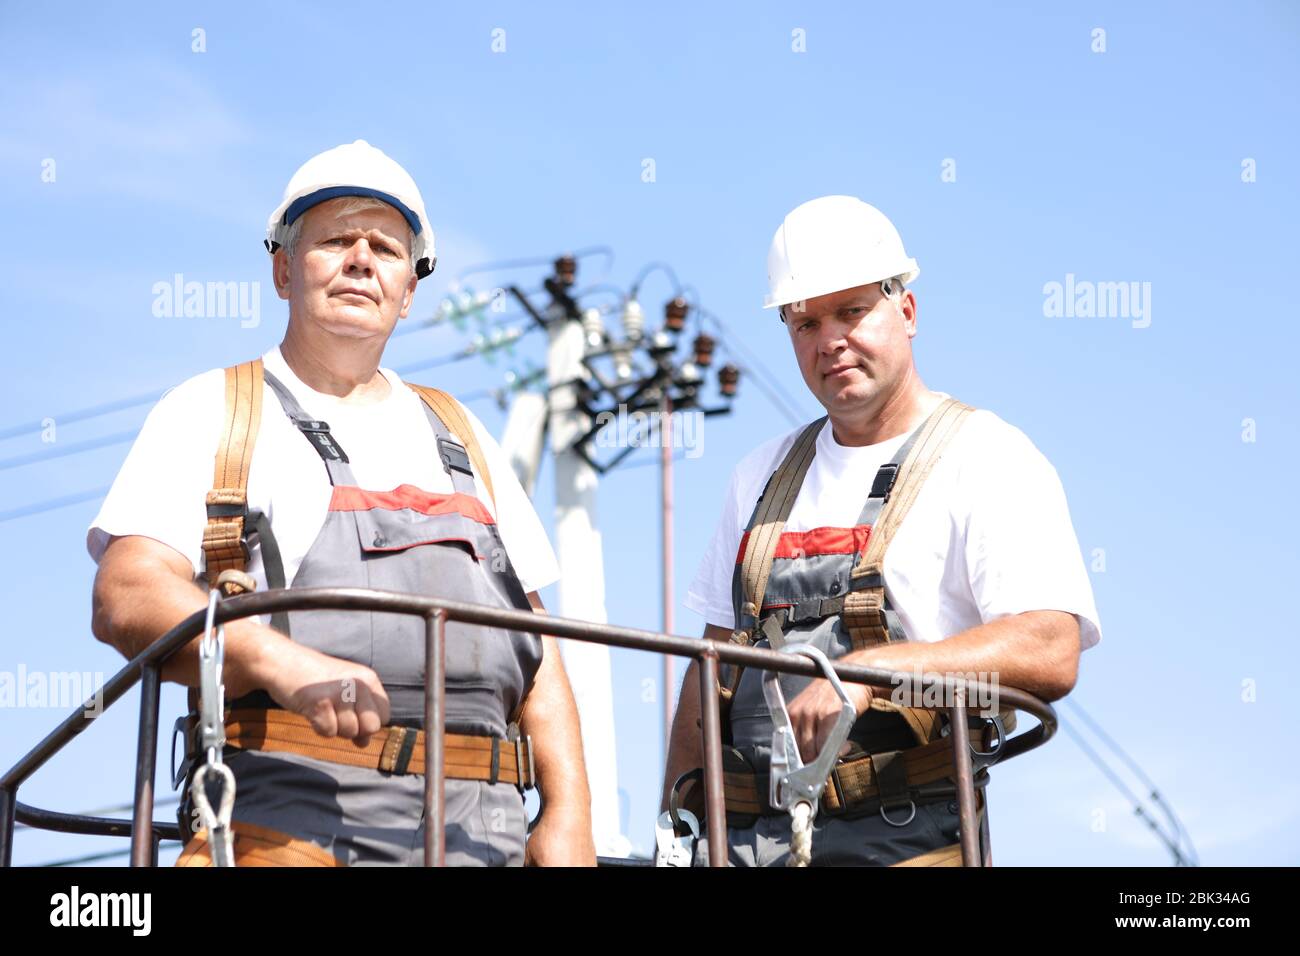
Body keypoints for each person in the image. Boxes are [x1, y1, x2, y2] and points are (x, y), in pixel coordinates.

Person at [89, 140, 594, 866]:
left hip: (485, 840)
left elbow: (536, 646)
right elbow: (125, 592)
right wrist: (276, 660)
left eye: (386, 248)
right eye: (335, 240)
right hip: (287, 829)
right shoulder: (214, 411)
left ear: (409, 288)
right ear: (284, 269)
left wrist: (570, 814)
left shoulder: (460, 430)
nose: (361, 259)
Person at [661, 195, 1102, 866]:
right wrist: (681, 825)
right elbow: (712, 667)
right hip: (752, 846)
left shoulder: (985, 457)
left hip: (910, 839)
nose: (829, 340)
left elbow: (1050, 648)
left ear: (908, 310)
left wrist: (877, 668)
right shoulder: (760, 476)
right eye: (804, 321)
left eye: (852, 310)